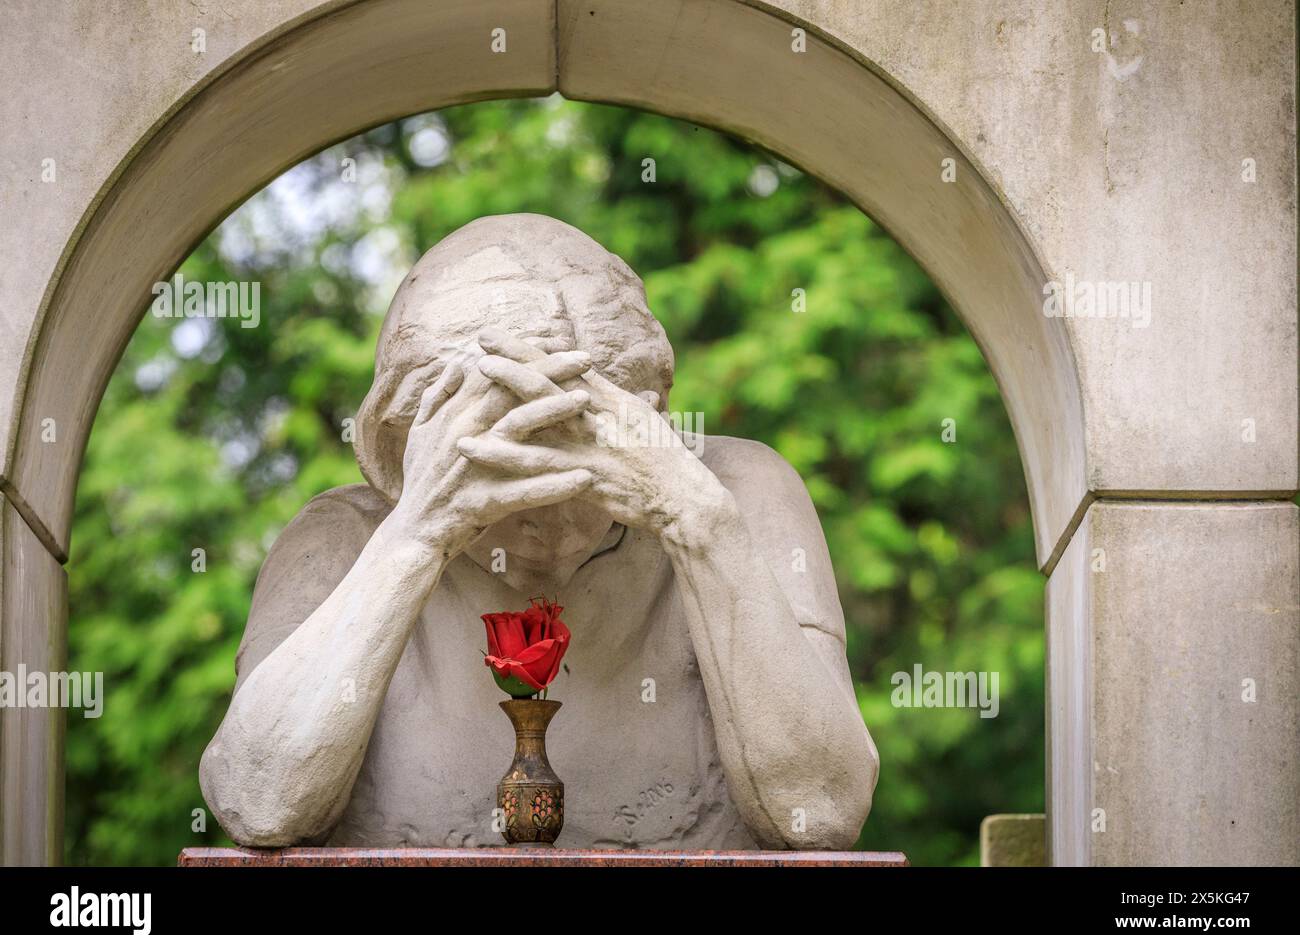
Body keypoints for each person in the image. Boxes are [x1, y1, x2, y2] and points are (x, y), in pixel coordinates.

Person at [199, 214, 878, 849]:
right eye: (499, 459)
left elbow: (819, 807)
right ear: (405, 446)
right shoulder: (343, 541)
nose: (542, 507)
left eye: (573, 450)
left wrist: (697, 525)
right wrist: (416, 536)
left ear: (640, 423)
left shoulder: (731, 497)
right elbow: (260, 801)